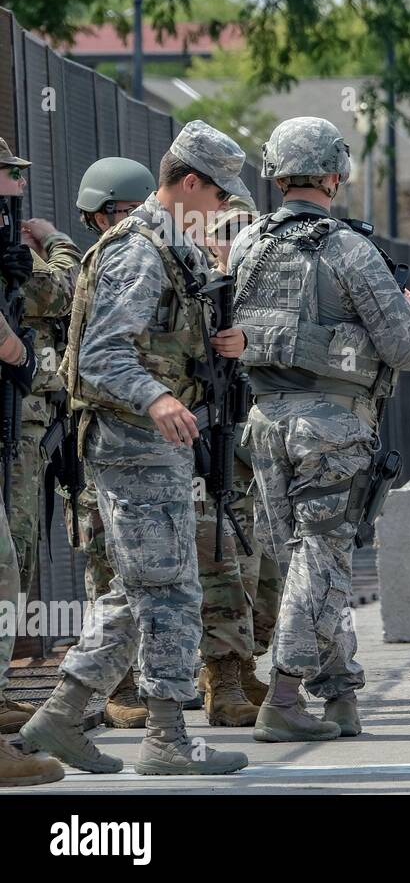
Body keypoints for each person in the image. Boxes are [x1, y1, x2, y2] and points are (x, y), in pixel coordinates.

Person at [22, 121, 252, 775]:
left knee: (135, 589)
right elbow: (101, 356)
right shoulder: (141, 251)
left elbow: (158, 340)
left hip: (153, 443)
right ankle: (166, 740)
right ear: (187, 182)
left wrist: (218, 347)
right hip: (133, 441)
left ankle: (59, 718)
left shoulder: (169, 247)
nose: (223, 206)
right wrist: (156, 397)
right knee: (170, 587)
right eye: (217, 193)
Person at [229, 116, 410, 743]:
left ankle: (341, 693)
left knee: (306, 561)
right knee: (320, 560)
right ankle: (284, 696)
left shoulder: (246, 246)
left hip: (264, 423)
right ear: (332, 175)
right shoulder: (350, 249)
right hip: (331, 427)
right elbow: (402, 348)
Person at [65, 156, 157, 729]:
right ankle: (111, 689)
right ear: (99, 214)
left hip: (130, 428)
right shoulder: (97, 264)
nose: (133, 221)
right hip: (100, 429)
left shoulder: (135, 259)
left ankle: (134, 681)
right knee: (107, 565)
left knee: (139, 570)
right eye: (123, 211)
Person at [193, 195, 278, 725]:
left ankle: (244, 665)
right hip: (212, 448)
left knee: (266, 574)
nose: (235, 242)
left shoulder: (268, 292)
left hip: (260, 451)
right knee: (225, 565)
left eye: (245, 230)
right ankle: (222, 679)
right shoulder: (197, 290)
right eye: (226, 231)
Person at [0, 136, 64, 786]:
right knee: (7, 561)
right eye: (7, 175)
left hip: (20, 422)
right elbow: (64, 293)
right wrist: (58, 244)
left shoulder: (12, 242)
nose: (16, 184)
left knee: (12, 559)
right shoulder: (19, 245)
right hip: (15, 423)